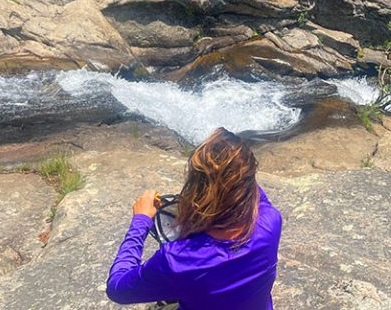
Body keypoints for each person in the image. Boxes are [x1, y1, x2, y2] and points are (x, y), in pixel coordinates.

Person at [106, 127, 282, 309]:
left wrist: (141, 220)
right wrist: (236, 165)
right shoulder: (271, 221)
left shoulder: (177, 260)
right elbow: (253, 193)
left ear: (196, 189)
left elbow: (117, 288)